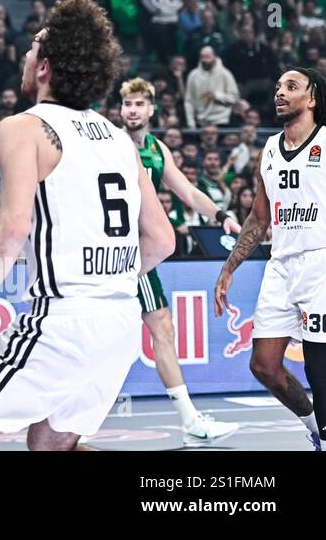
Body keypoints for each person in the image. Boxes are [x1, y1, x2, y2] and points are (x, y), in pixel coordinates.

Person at [0, 0, 175, 450]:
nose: (24, 53)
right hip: (119, 322)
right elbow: (161, 240)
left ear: (45, 67)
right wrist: (106, 278)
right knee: (51, 448)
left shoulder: (24, 127)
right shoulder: (120, 139)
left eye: (33, 47)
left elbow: (12, 227)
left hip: (63, 321)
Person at [118, 77, 240, 443]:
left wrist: (222, 217)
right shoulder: (110, 144)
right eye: (127, 104)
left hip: (141, 253)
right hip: (116, 250)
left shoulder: (157, 149)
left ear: (152, 110)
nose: (132, 110)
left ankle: (190, 420)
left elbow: (187, 191)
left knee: (162, 329)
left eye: (139, 104)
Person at [216, 67, 326, 451]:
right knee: (263, 365)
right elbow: (260, 217)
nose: (280, 92)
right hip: (281, 263)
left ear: (311, 98)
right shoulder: (268, 153)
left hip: (321, 259)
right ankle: (316, 427)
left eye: (291, 87)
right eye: (278, 86)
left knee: (318, 360)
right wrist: (229, 268)